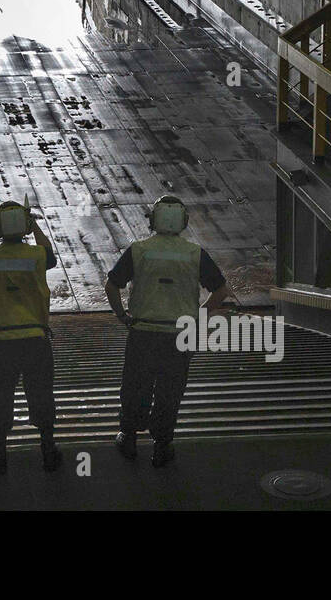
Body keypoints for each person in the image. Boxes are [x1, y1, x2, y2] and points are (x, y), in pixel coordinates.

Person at [104, 195, 229, 466]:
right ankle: (162, 446)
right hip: (179, 336)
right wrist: (199, 315)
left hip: (143, 333)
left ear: (153, 220)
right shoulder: (195, 254)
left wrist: (122, 315)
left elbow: (111, 285)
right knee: (170, 391)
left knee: (136, 386)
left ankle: (129, 438)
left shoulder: (139, 250)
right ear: (184, 221)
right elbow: (221, 290)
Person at [0, 200, 61, 474]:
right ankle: (48, 450)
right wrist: (35, 225)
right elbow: (48, 251)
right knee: (41, 394)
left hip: (0, 343)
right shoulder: (38, 256)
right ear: (25, 227)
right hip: (35, 339)